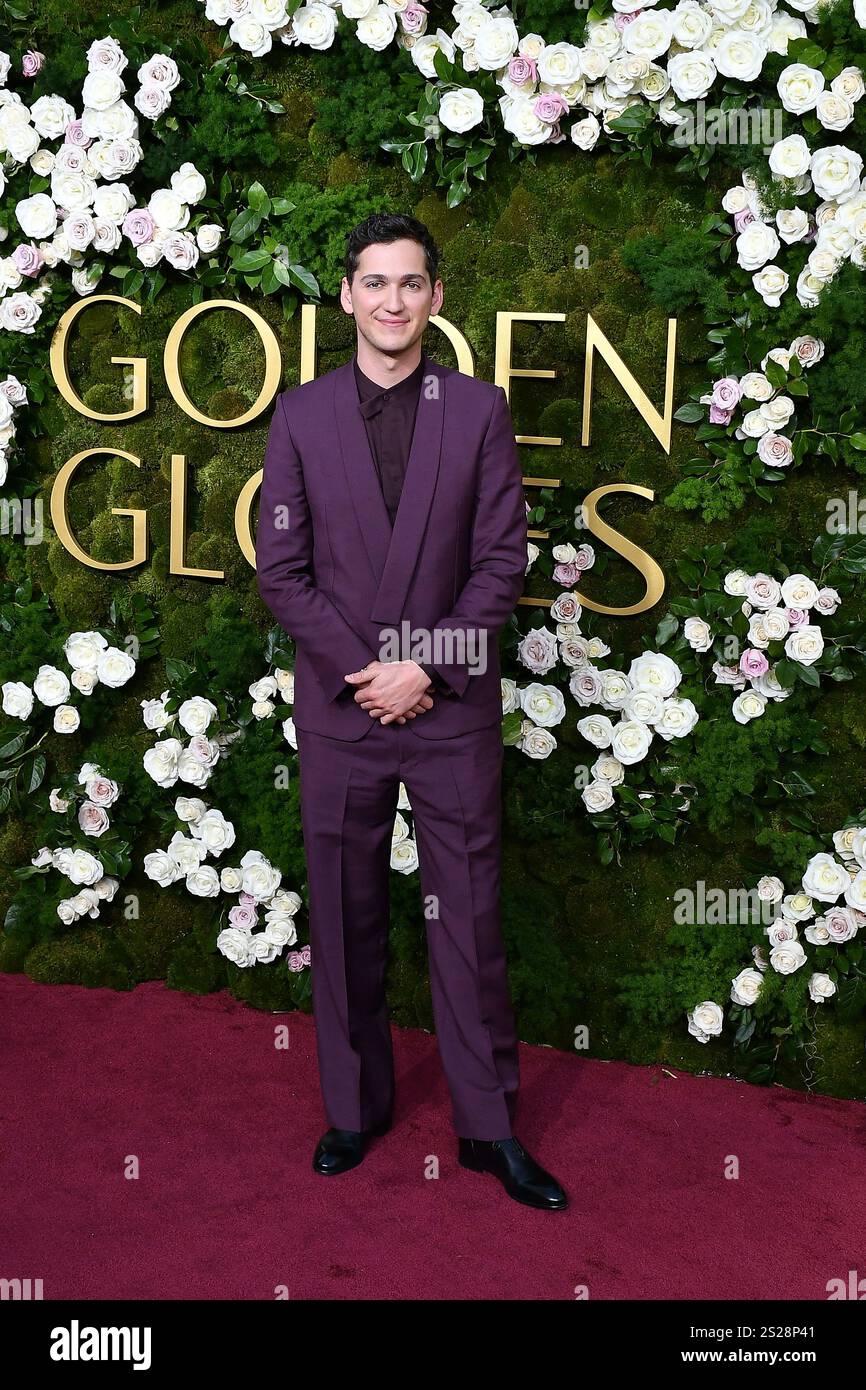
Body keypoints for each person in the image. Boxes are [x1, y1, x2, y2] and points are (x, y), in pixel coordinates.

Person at [256, 212, 567, 1211]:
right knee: (344, 912)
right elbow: (283, 574)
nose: (392, 300)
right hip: (345, 708)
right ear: (345, 295)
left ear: (435, 298)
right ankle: (353, 1108)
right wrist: (368, 669)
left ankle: (487, 1127)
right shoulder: (301, 417)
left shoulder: (476, 411)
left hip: (447, 707)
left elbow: (499, 565)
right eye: (374, 282)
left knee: (467, 918)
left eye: (411, 283)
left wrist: (422, 667)